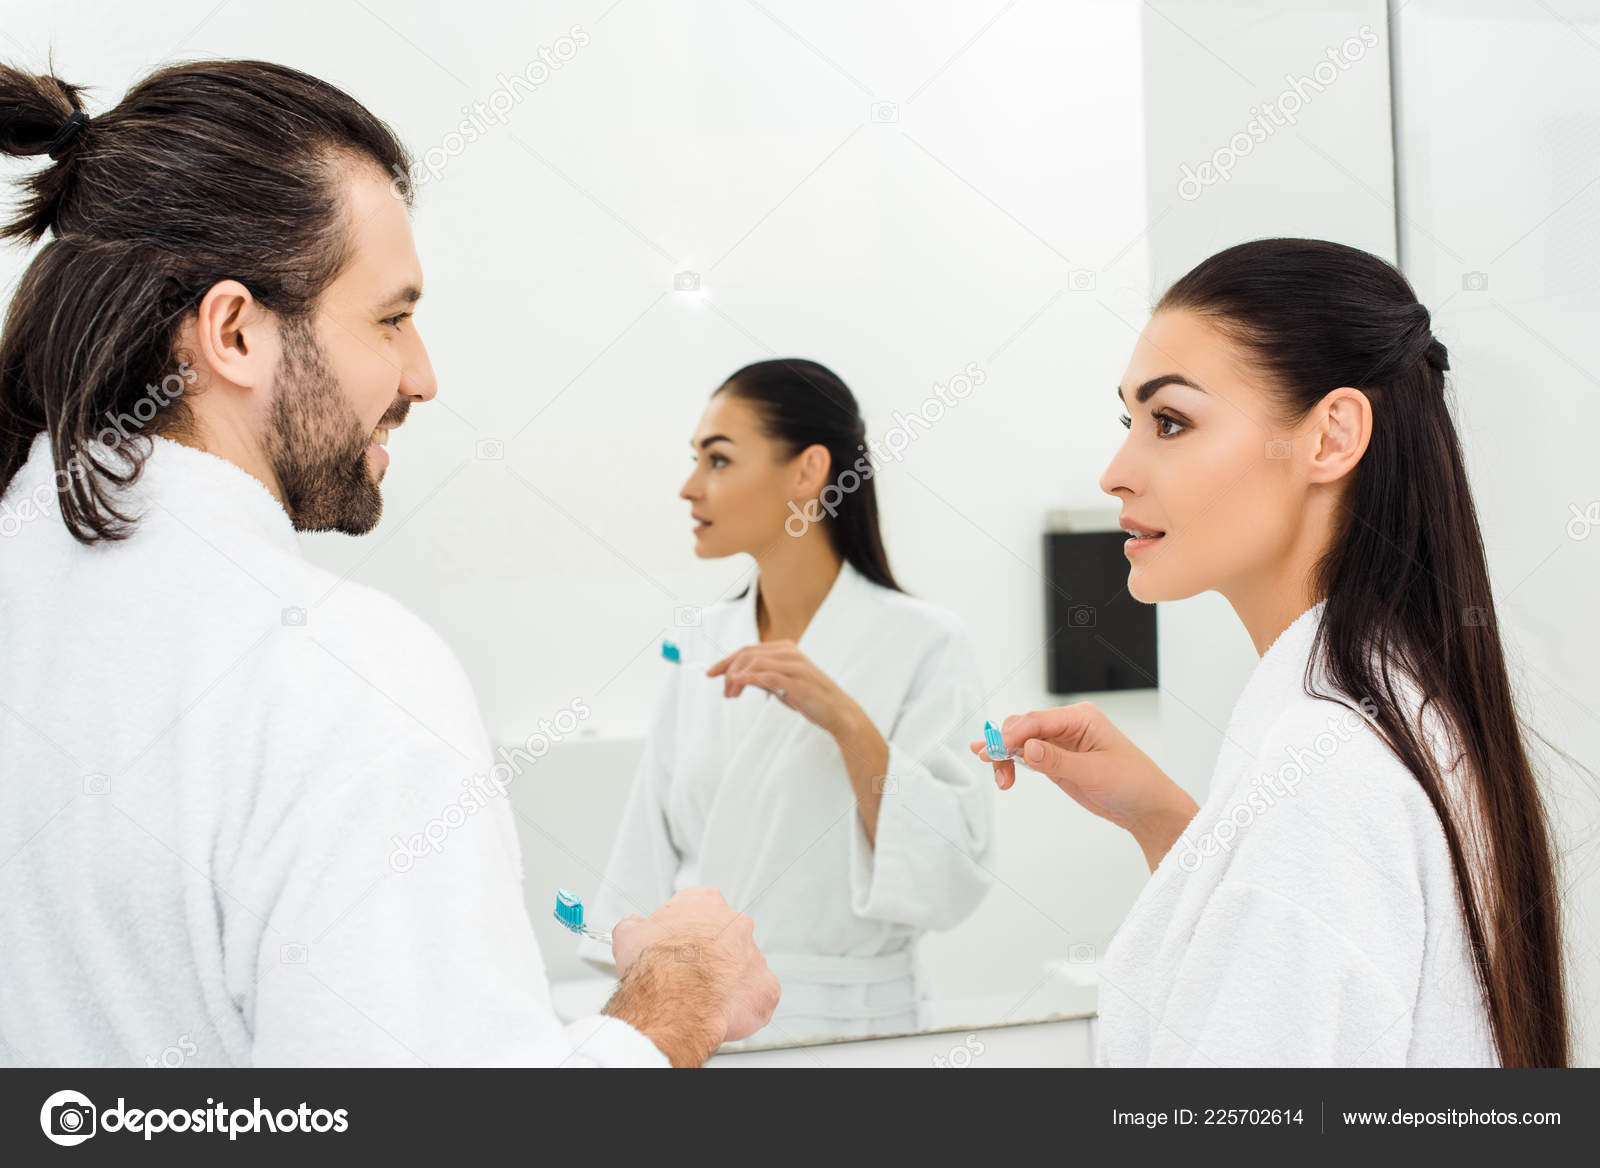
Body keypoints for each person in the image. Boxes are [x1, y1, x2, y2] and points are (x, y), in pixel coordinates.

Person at [0, 59, 777, 1068]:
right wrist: (674, 1004)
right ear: (233, 331)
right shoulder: (335, 673)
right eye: (390, 317)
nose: (421, 374)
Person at [975, 238, 1569, 1068]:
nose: (1116, 471)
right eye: (1129, 422)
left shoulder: (1323, 781)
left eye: (1170, 421)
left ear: (1330, 438)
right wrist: (1164, 820)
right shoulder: (1393, 718)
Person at [580, 358, 994, 1041]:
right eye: (694, 460)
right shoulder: (702, 644)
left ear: (807, 472)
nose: (689, 488)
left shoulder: (926, 643)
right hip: (704, 1023)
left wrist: (845, 719)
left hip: (861, 1028)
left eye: (717, 460)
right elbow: (645, 849)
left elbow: (952, 869)